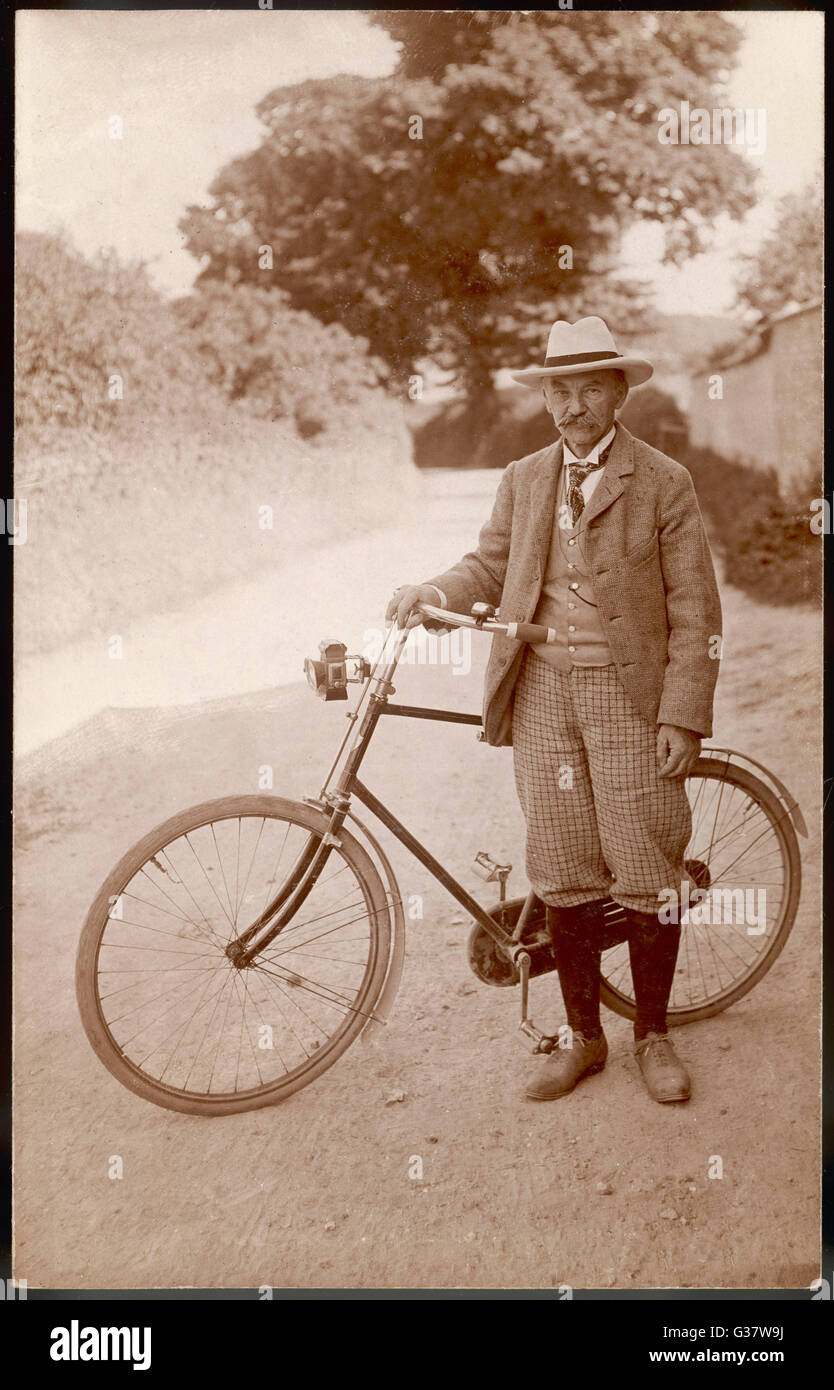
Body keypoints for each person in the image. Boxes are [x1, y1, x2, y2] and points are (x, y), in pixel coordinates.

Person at [386, 316, 722, 1104]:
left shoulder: (664, 481)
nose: (571, 407)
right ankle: (584, 1039)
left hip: (627, 695)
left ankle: (654, 1037)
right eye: (558, 391)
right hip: (541, 695)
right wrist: (434, 592)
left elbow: (696, 610)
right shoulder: (526, 477)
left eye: (586, 390)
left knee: (644, 869)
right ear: (546, 399)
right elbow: (489, 564)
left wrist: (682, 714)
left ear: (617, 393)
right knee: (565, 868)